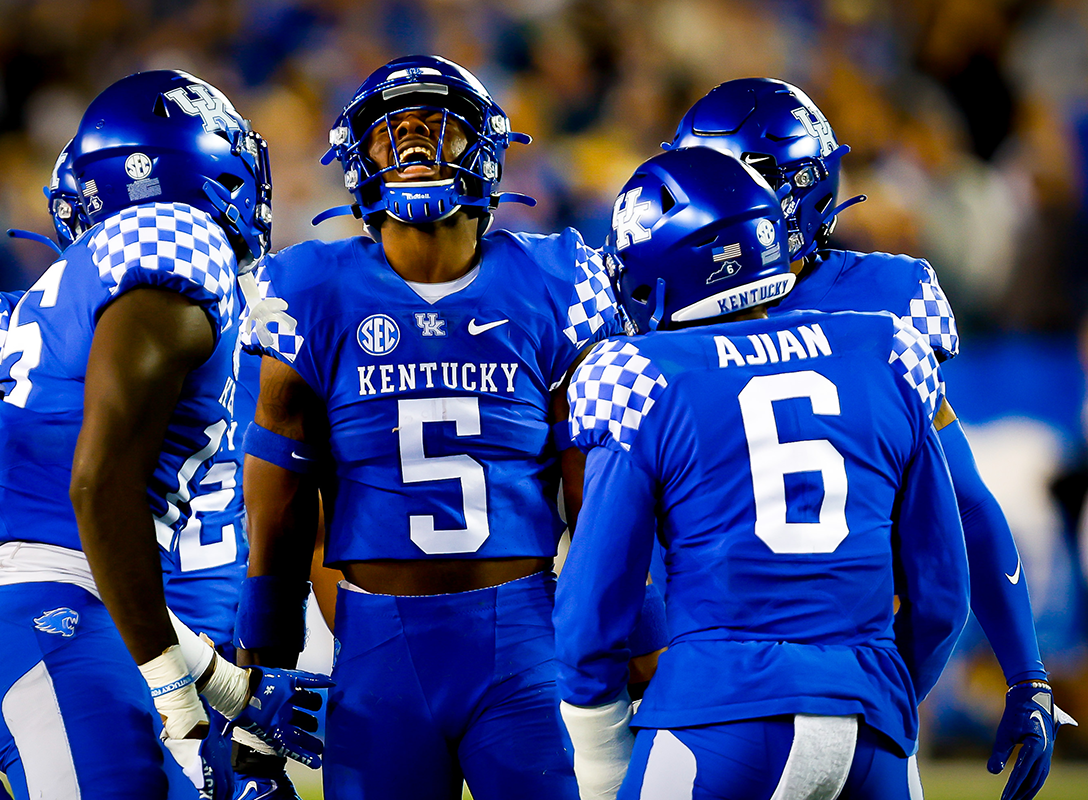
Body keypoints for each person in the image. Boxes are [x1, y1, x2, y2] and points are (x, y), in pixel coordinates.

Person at [0, 70, 327, 799]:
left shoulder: (39, 308)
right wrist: (211, 690)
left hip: (127, 625)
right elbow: (86, 495)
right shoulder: (177, 246)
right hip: (76, 619)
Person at [667, 77, 1076, 800]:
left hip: (728, 688)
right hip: (805, 681)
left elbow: (965, 506)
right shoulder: (672, 290)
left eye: (727, 175)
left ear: (794, 189)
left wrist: (1025, 670)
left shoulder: (885, 299)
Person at [237, 55, 623, 800]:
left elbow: (603, 506)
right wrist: (263, 674)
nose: (412, 141)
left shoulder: (557, 281)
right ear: (358, 159)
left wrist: (628, 638)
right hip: (379, 645)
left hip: (525, 640)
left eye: (434, 124)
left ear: (484, 150)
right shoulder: (310, 290)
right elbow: (277, 520)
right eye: (392, 131)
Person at [555, 145, 971, 799]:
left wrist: (600, 756)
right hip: (870, 725)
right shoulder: (888, 348)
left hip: (719, 717)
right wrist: (871, 693)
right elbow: (943, 593)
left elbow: (595, 609)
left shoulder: (640, 375)